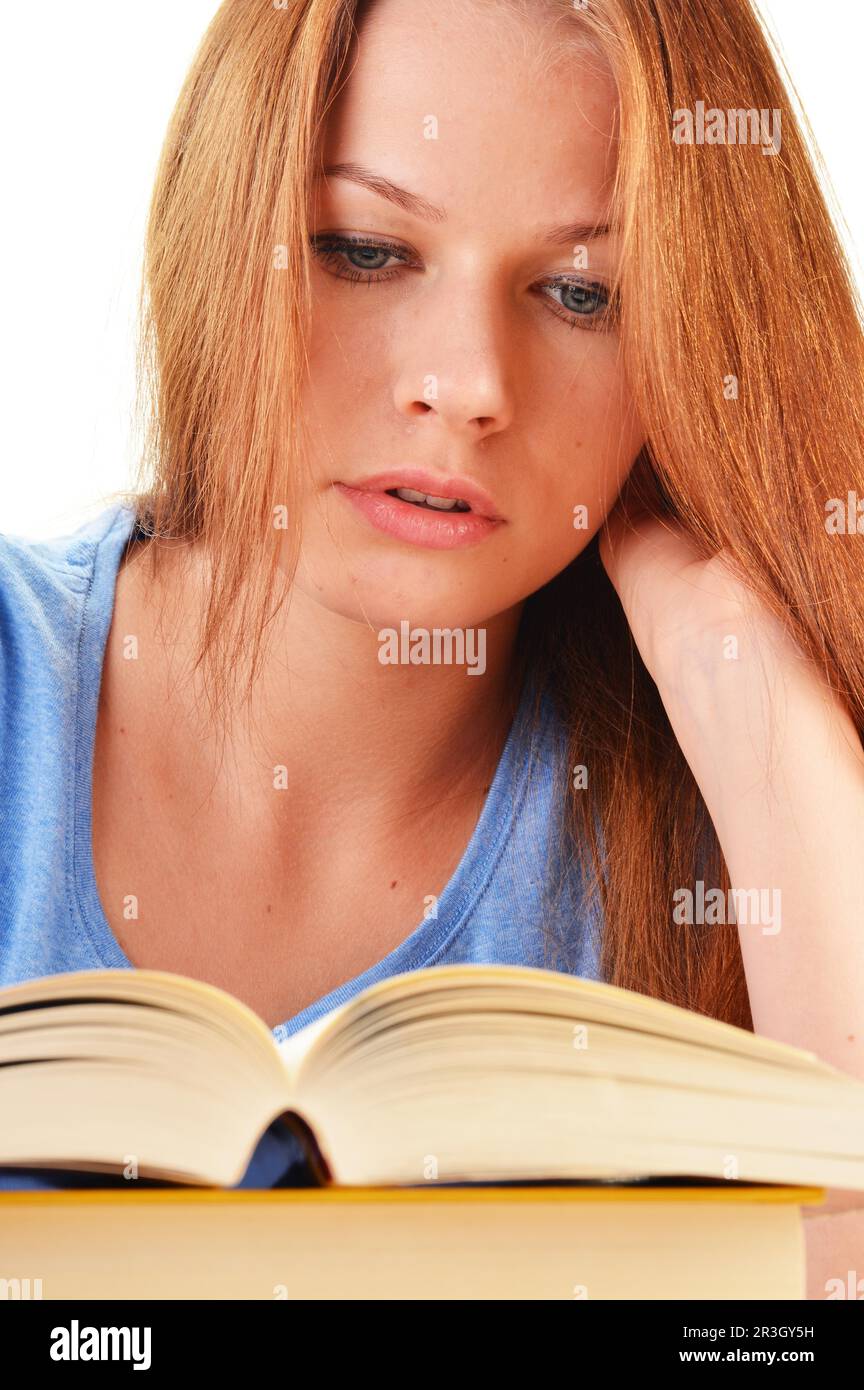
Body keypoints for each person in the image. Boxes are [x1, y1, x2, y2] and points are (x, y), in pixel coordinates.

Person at [1, 0, 862, 1290]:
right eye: (365, 251)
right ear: (218, 233)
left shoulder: (738, 836)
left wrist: (755, 701)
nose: (468, 384)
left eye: (582, 293)